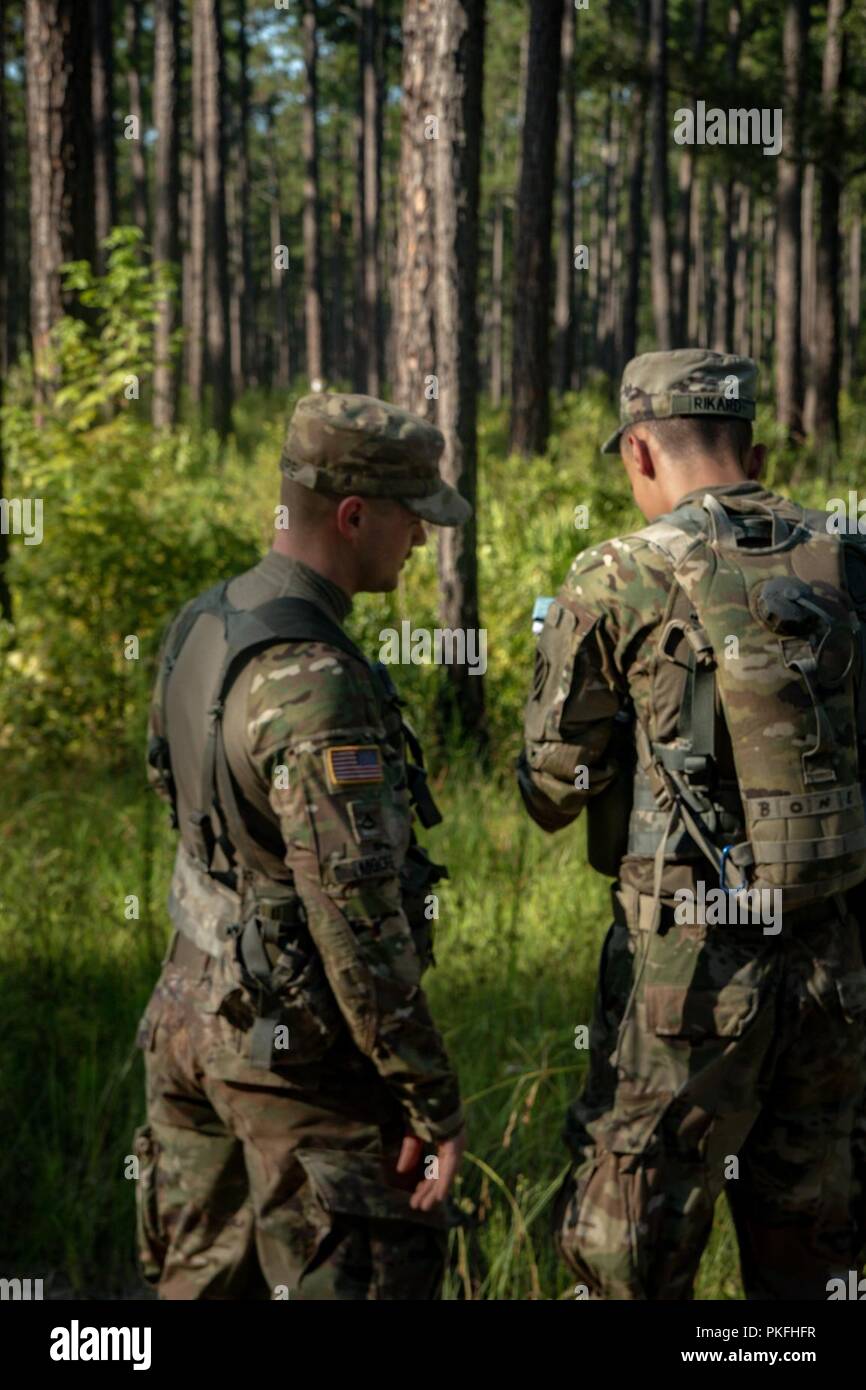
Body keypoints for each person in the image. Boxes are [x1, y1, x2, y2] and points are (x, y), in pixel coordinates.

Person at [517, 349, 866, 1300]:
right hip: (834, 965)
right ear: (752, 446)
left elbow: (551, 790)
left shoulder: (618, 573)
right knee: (818, 1253)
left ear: (639, 451)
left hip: (687, 978)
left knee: (627, 1246)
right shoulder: (847, 555)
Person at [134, 392, 468, 1300]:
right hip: (294, 1057)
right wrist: (430, 1098)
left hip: (186, 1019)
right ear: (355, 516)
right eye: (412, 518)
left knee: (198, 1283)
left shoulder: (205, 620)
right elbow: (355, 924)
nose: (422, 539)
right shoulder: (316, 682)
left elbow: (176, 794)